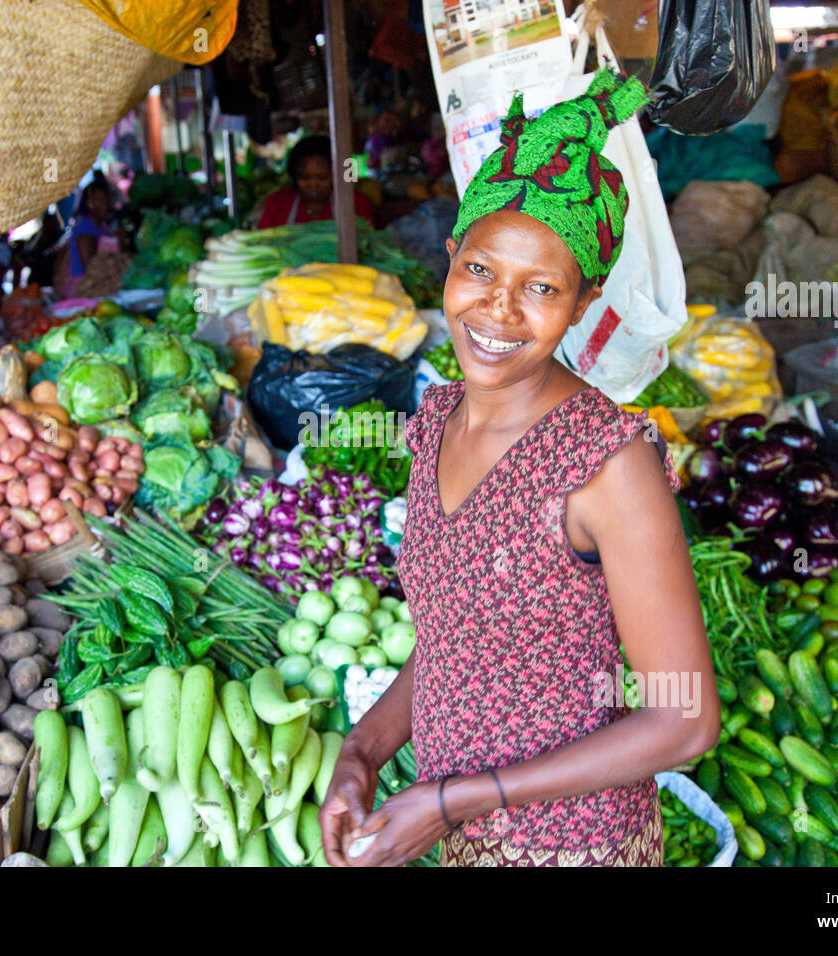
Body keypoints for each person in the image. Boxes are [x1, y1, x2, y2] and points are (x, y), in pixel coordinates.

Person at [318, 74, 720, 868]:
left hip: (575, 846)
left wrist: (455, 799)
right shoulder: (434, 421)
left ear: (584, 301)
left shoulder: (608, 464)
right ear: (451, 258)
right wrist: (363, 752)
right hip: (458, 830)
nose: (498, 312)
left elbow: (685, 722)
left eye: (541, 288)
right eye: (480, 272)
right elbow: (453, 638)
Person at [256, 135, 376, 229]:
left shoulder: (354, 203)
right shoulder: (277, 204)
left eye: (322, 177)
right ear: (294, 176)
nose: (313, 185)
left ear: (335, 175)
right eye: (305, 177)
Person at [61, 178, 118, 299]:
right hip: (85, 290)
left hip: (102, 287)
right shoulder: (85, 227)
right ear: (89, 201)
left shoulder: (103, 227)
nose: (104, 204)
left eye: (106, 199)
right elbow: (89, 266)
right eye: (99, 199)